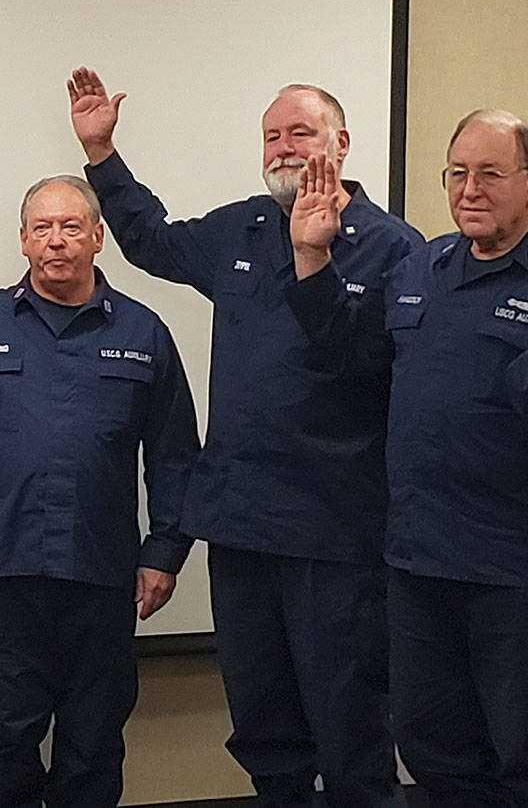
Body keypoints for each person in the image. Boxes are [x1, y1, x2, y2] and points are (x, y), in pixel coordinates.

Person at [67, 67, 421, 807]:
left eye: (301, 132)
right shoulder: (244, 225)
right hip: (242, 523)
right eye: (272, 135)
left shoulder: (393, 248)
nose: (284, 148)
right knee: (263, 724)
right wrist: (102, 155)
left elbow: (362, 363)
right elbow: (152, 241)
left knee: (349, 725)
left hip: (337, 533)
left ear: (342, 142)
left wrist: (314, 259)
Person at [287, 111, 528, 806]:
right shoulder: (423, 265)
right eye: (456, 173)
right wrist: (312, 260)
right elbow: (350, 360)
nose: (469, 189)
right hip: (421, 565)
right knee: (429, 743)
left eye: (489, 173)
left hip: (524, 575)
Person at [0, 176, 200, 807]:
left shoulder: (145, 334)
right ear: (23, 240)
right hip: (1, 572)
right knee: (5, 744)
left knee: (93, 749)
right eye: (41, 228)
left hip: (101, 573)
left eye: (69, 227)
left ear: (97, 237)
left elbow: (174, 455)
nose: (55, 241)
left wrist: (165, 551)